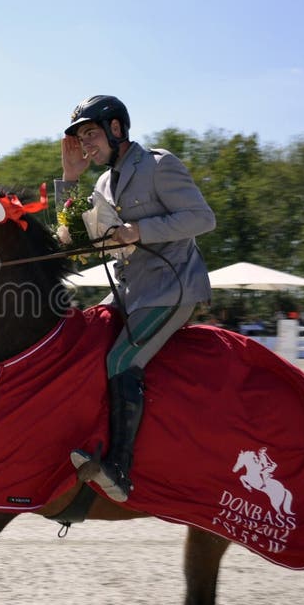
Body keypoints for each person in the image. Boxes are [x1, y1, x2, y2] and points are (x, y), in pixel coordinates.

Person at [60, 95, 216, 502]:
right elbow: (70, 243)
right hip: (130, 291)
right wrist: (70, 178)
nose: (86, 143)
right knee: (85, 345)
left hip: (171, 289)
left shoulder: (159, 165)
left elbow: (203, 218)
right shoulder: (100, 183)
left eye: (90, 134)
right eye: (79, 137)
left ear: (116, 129)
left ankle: (121, 468)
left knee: (121, 360)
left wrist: (137, 231)